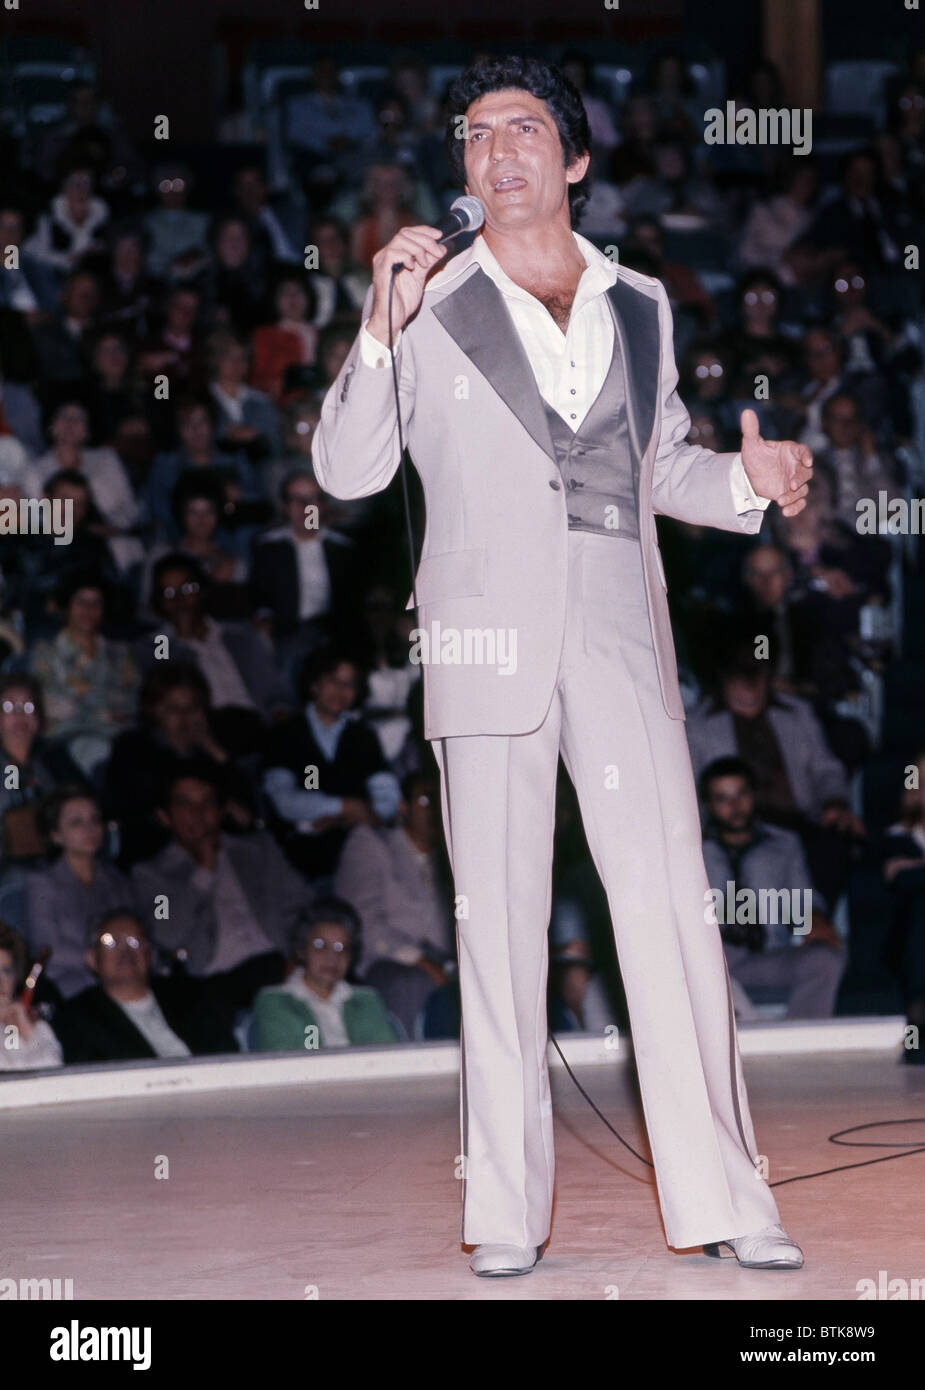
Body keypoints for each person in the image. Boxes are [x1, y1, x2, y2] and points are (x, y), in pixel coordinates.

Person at [312, 55, 814, 1276]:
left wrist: (745, 482)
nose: (495, 151)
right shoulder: (425, 297)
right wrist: (377, 325)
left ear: (576, 160)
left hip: (623, 637)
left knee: (672, 921)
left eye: (522, 129)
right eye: (475, 134)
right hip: (484, 646)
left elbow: (661, 467)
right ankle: (502, 1214)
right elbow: (344, 472)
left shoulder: (640, 301)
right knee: (497, 932)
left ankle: (728, 1197)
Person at [131, 770, 310, 1025]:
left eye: (207, 802)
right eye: (185, 804)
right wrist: (204, 871)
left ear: (222, 810)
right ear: (164, 816)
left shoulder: (259, 850)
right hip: (216, 983)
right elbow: (166, 932)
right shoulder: (153, 874)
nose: (198, 812)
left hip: (283, 965)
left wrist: (300, 956)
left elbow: (303, 906)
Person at [699, 757, 845, 1020]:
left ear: (754, 795)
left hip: (765, 955)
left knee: (825, 960)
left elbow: (803, 899)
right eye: (722, 798)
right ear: (708, 805)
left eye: (741, 794)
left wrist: (814, 918)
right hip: (708, 962)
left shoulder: (783, 844)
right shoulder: (692, 850)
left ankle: (799, 1041)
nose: (735, 806)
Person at [334, 770, 457, 1039]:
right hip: (387, 960)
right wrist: (422, 961)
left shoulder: (453, 859)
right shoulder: (371, 843)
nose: (434, 810)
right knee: (411, 984)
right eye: (426, 801)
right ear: (403, 808)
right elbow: (362, 921)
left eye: (442, 801)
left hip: (446, 961)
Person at [52, 909, 238, 1064]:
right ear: (92, 959)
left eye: (136, 941)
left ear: (150, 955)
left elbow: (226, 1055)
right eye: (111, 942)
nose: (125, 951)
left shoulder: (188, 996)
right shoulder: (75, 1018)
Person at [25, 786, 134, 1000]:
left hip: (124, 979)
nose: (90, 829)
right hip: (72, 986)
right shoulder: (42, 883)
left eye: (95, 820)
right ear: (55, 835)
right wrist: (99, 958)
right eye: (77, 823)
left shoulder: (117, 879)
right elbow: (46, 949)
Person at [251, 897, 398, 1050]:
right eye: (320, 945)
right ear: (301, 950)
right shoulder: (277, 1002)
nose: (332, 957)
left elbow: (383, 1055)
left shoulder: (365, 1001)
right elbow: (304, 1057)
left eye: (341, 948)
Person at [0, 921, 63, 1071]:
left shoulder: (13, 1029)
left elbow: (52, 1067)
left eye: (6, 971)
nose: (0, 982)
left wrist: (27, 1029)